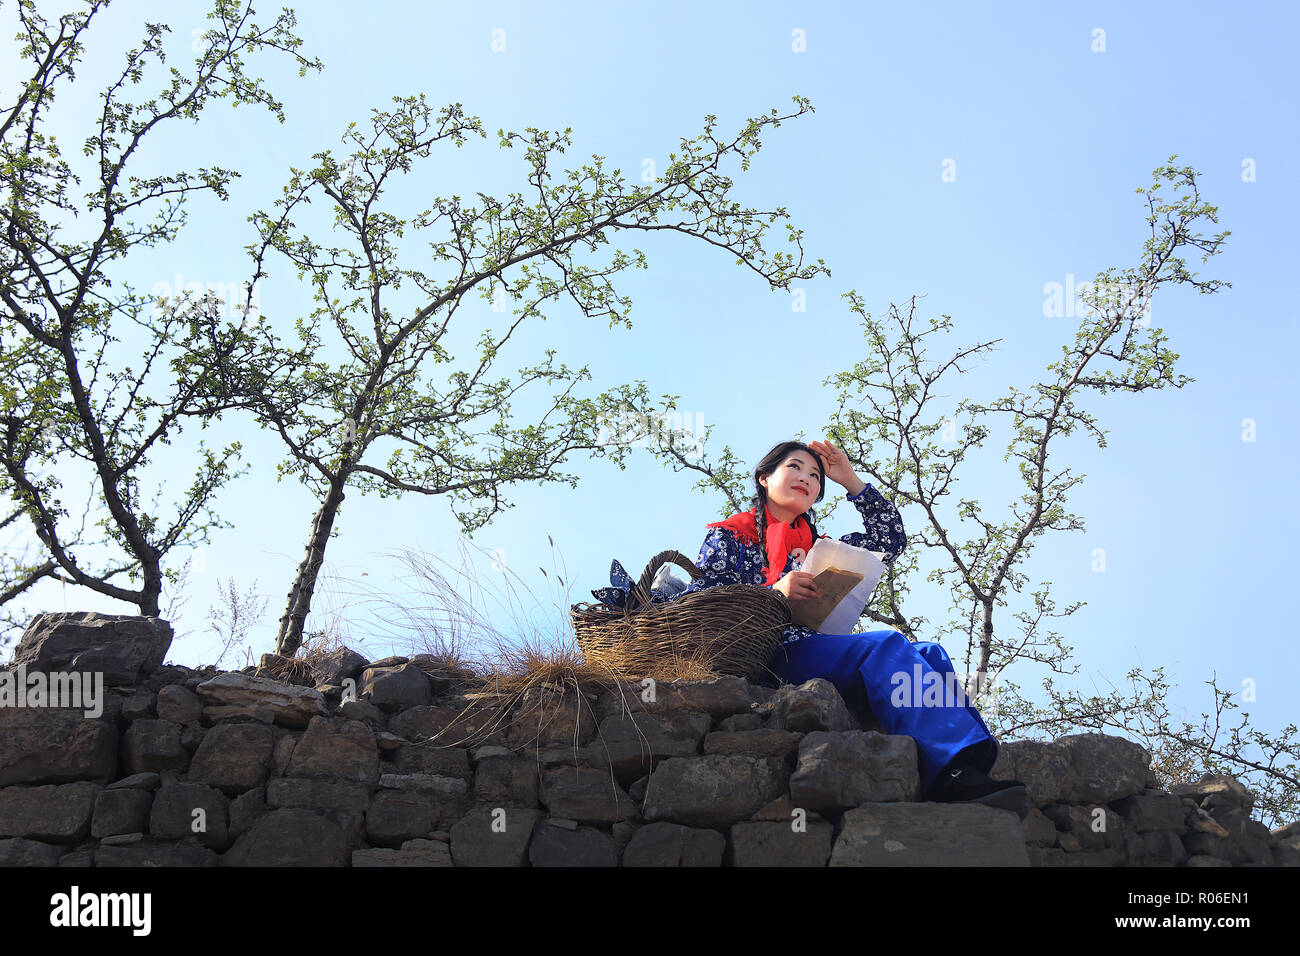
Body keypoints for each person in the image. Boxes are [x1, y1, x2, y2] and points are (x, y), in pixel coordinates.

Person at [682, 437, 1028, 817]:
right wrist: (774, 592)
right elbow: (706, 599)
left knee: (929, 653)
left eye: (815, 475)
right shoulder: (731, 536)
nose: (806, 478)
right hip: (766, 655)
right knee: (886, 645)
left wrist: (851, 481)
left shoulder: (817, 548)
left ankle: (972, 765)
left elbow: (890, 541)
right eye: (794, 467)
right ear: (764, 477)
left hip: (813, 650)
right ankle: (952, 771)